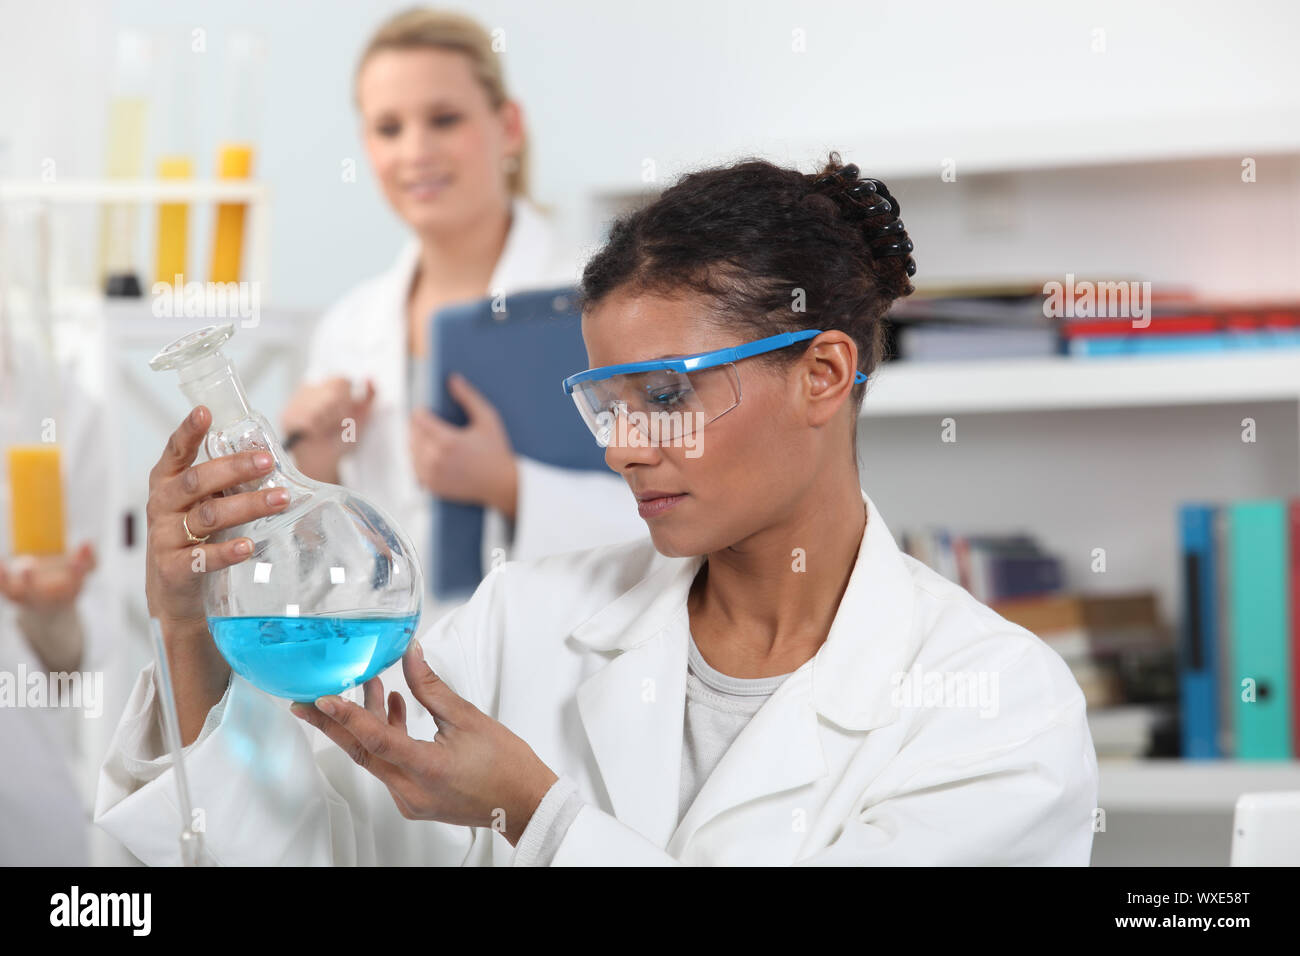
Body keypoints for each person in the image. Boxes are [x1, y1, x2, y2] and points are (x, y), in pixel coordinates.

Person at [96, 156, 1098, 865]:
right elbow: (310, 849)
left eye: (664, 396)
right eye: (605, 403)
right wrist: (189, 629)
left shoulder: (997, 703)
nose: (622, 445)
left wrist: (536, 814)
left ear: (824, 373)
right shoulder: (520, 621)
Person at [281, 8, 643, 595]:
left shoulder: (603, 297)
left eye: (444, 119)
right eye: (388, 128)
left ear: (509, 126)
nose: (415, 151)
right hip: (394, 674)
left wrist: (509, 485)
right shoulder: (348, 328)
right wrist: (312, 467)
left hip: (561, 662)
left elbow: (677, 517)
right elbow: (325, 573)